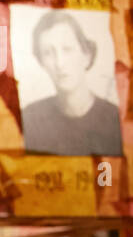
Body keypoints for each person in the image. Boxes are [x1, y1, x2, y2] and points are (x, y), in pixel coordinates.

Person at [20, 10, 123, 155]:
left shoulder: (116, 120)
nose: (60, 63)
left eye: (67, 50)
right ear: (42, 62)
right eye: (48, 53)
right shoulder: (30, 119)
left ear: (86, 55)